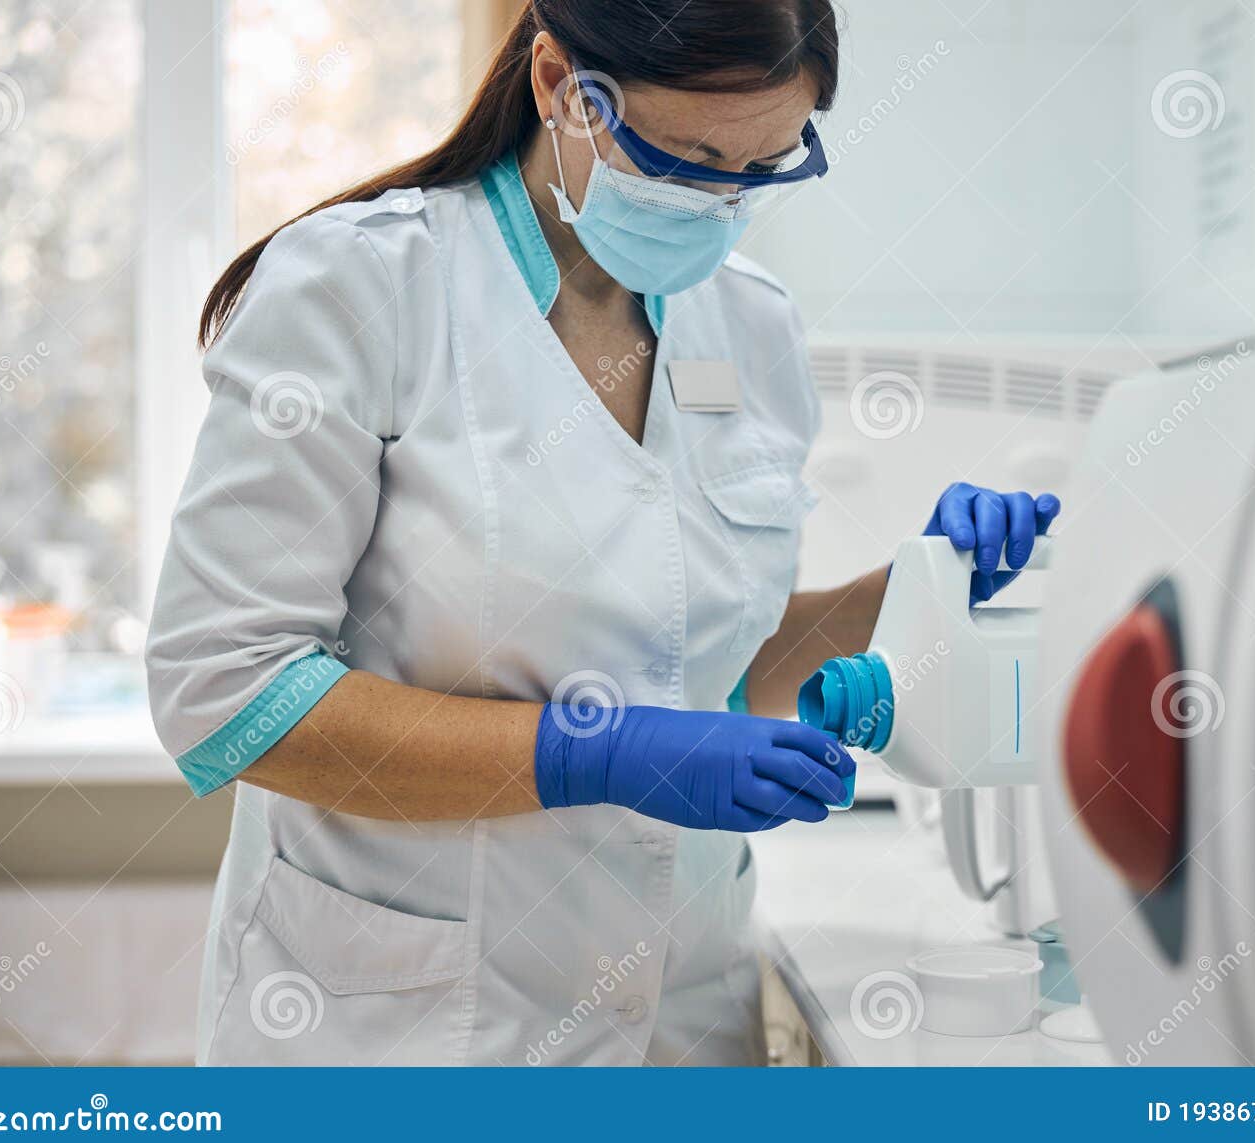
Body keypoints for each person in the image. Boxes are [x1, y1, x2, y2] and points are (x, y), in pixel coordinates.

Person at [145, 0, 1058, 1066]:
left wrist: (915, 587)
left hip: (680, 1011)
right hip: (409, 1029)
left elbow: (710, 653)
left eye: (763, 167)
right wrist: (600, 754)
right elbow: (225, 689)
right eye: (684, 157)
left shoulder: (751, 326)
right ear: (556, 83)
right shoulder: (363, 286)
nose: (721, 200)